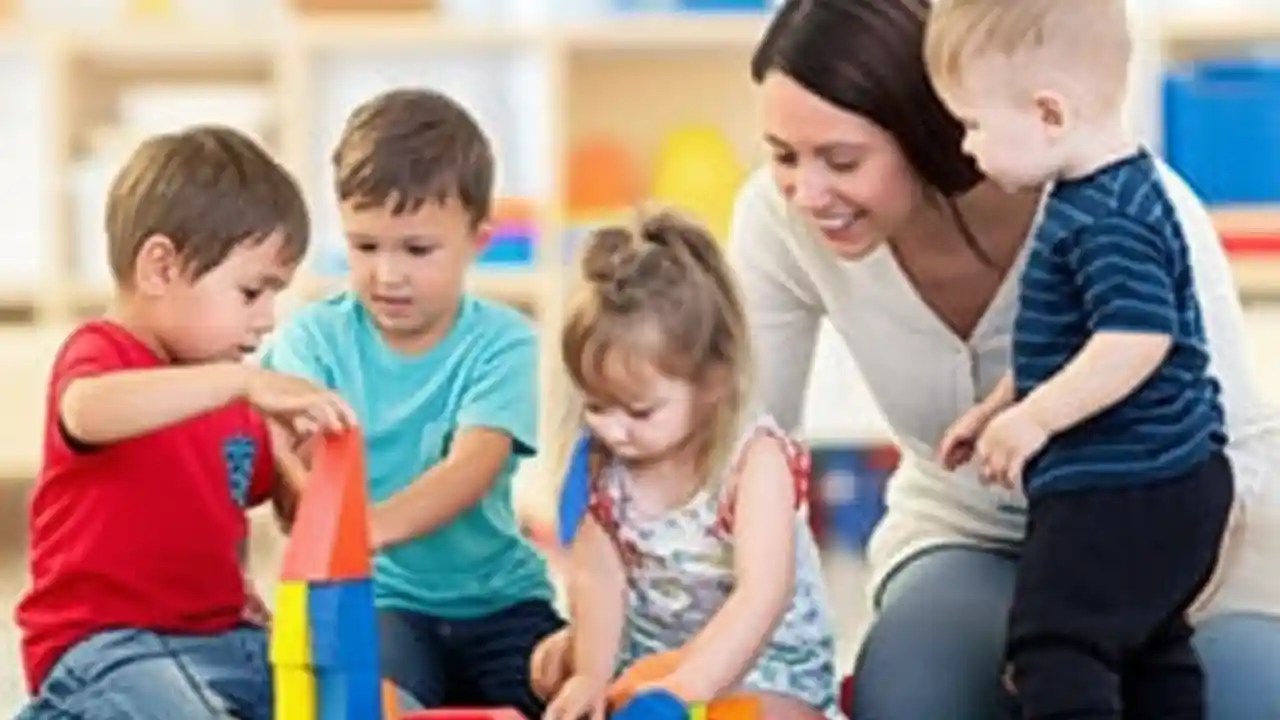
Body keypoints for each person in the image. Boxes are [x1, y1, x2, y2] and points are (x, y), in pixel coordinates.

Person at [532, 1, 1280, 718]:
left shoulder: (1115, 203)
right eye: (784, 155)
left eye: (842, 159)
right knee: (917, 694)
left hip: (1173, 534)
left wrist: (1109, 601)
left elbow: (1195, 425)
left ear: (933, 132)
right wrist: (612, 631)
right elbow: (734, 439)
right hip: (975, 528)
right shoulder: (782, 218)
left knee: (1226, 695)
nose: (806, 190)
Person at [923, 0, 1233, 717]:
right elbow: (1075, 340)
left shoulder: (1106, 217)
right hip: (1172, 484)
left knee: (1056, 647)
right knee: (1149, 645)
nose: (967, 147)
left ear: (1049, 114)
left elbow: (1135, 340)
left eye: (972, 123)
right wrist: (1002, 404)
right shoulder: (1112, 189)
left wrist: (1034, 420)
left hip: (1128, 485)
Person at [14, 126, 358, 720]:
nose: (269, 319)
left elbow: (277, 501)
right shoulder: (103, 354)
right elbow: (86, 411)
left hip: (225, 642)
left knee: (361, 703)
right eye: (252, 292)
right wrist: (244, 383)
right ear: (160, 268)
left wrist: (306, 473)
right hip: (107, 648)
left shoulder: (228, 394)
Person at [258, 88, 563, 717]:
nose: (387, 275)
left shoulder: (505, 343)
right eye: (365, 247)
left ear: (479, 237)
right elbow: (288, 444)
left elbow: (471, 468)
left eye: (417, 250)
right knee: (368, 703)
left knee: (556, 697)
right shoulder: (312, 340)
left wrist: (363, 529)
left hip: (503, 602)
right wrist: (302, 484)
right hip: (383, 602)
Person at [542, 210, 840, 720]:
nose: (613, 429)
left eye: (639, 411)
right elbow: (598, 576)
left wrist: (688, 687)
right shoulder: (604, 458)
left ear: (713, 382)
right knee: (550, 668)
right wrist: (591, 675)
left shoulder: (753, 459)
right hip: (650, 660)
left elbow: (762, 594)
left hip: (761, 663)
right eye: (597, 405)